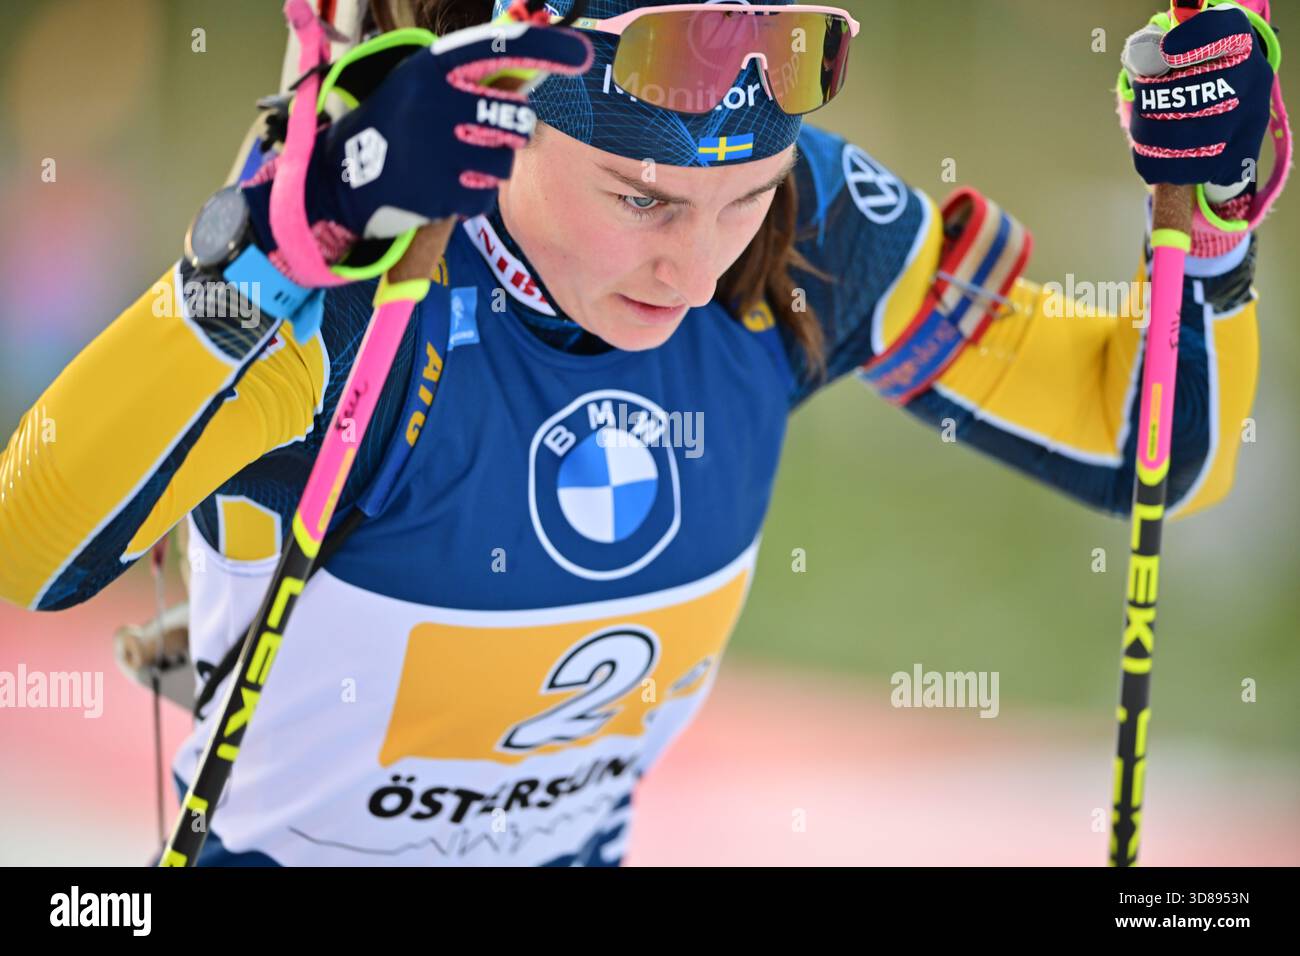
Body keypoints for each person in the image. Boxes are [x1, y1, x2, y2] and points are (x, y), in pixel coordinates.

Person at [0, 0, 1284, 866]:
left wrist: (1218, 221)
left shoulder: (809, 233)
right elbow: (27, 544)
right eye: (640, 197)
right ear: (508, 111)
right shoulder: (356, 254)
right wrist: (283, 251)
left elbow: (1155, 450)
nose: (692, 260)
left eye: (742, 196)